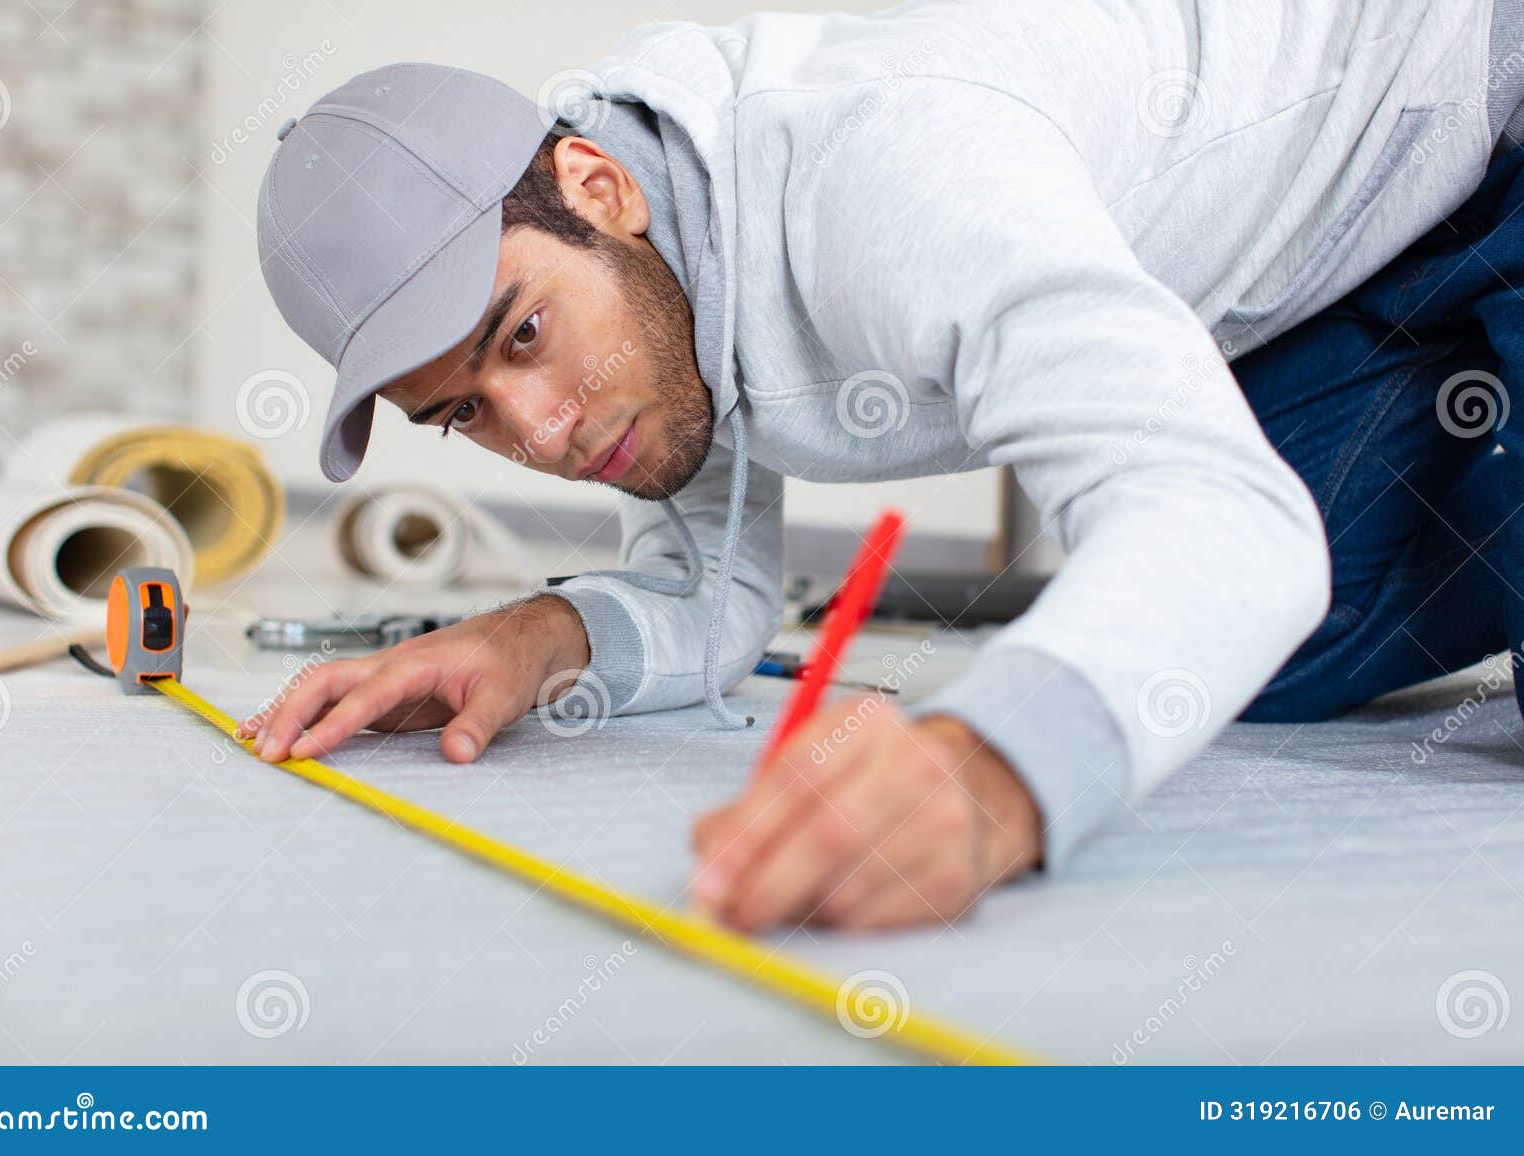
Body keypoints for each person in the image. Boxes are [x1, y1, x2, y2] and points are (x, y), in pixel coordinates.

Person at [239, 0, 1522, 931]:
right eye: (464, 412)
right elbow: (707, 596)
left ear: (597, 186)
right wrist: (533, 640)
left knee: (1202, 596)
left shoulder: (889, 174)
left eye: (519, 336)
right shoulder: (651, 291)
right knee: (1263, 657)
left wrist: (997, 768)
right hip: (1362, 249)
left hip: (1480, 95)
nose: (544, 432)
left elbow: (1228, 521)